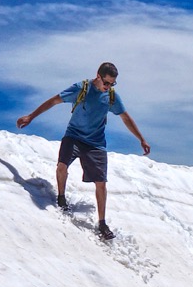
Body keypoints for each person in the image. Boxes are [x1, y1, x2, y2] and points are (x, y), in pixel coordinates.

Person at [16, 62, 150, 240]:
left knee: (101, 183)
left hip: (96, 143)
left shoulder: (111, 96)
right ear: (98, 76)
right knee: (62, 166)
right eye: (106, 82)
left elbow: (125, 117)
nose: (108, 87)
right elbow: (54, 101)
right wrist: (31, 116)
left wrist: (141, 139)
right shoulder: (81, 89)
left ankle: (102, 223)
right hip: (74, 136)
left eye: (112, 84)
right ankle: (61, 198)